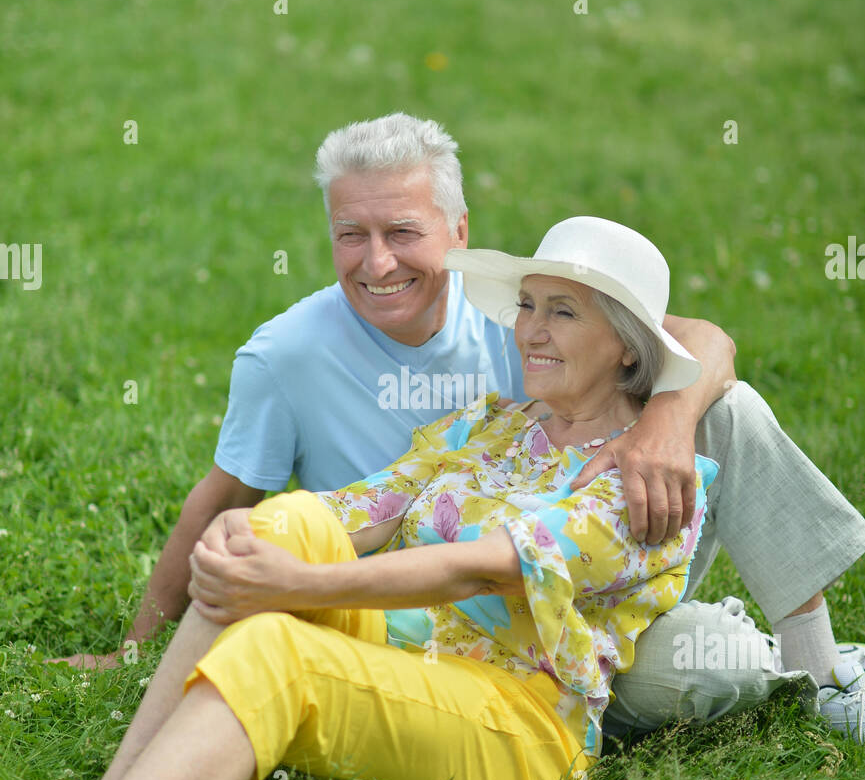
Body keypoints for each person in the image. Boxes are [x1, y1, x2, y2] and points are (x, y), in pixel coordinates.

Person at [0, 217, 722, 780]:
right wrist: (248, 540)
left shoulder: (652, 484)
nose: (530, 330)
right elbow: (367, 506)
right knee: (279, 525)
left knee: (275, 648)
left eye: (562, 312)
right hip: (411, 653)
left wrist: (292, 588)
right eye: (527, 305)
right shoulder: (495, 423)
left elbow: (482, 567)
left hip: (521, 721)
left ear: (627, 344)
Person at [43, 114, 865, 744]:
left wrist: (667, 416)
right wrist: (138, 645)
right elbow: (223, 494)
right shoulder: (285, 355)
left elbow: (703, 344)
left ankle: (820, 666)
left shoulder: (525, 328)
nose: (377, 263)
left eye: (402, 233)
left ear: (457, 233)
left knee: (733, 407)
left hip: (598, 551)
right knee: (690, 667)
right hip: (426, 598)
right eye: (350, 236)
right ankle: (735, 661)